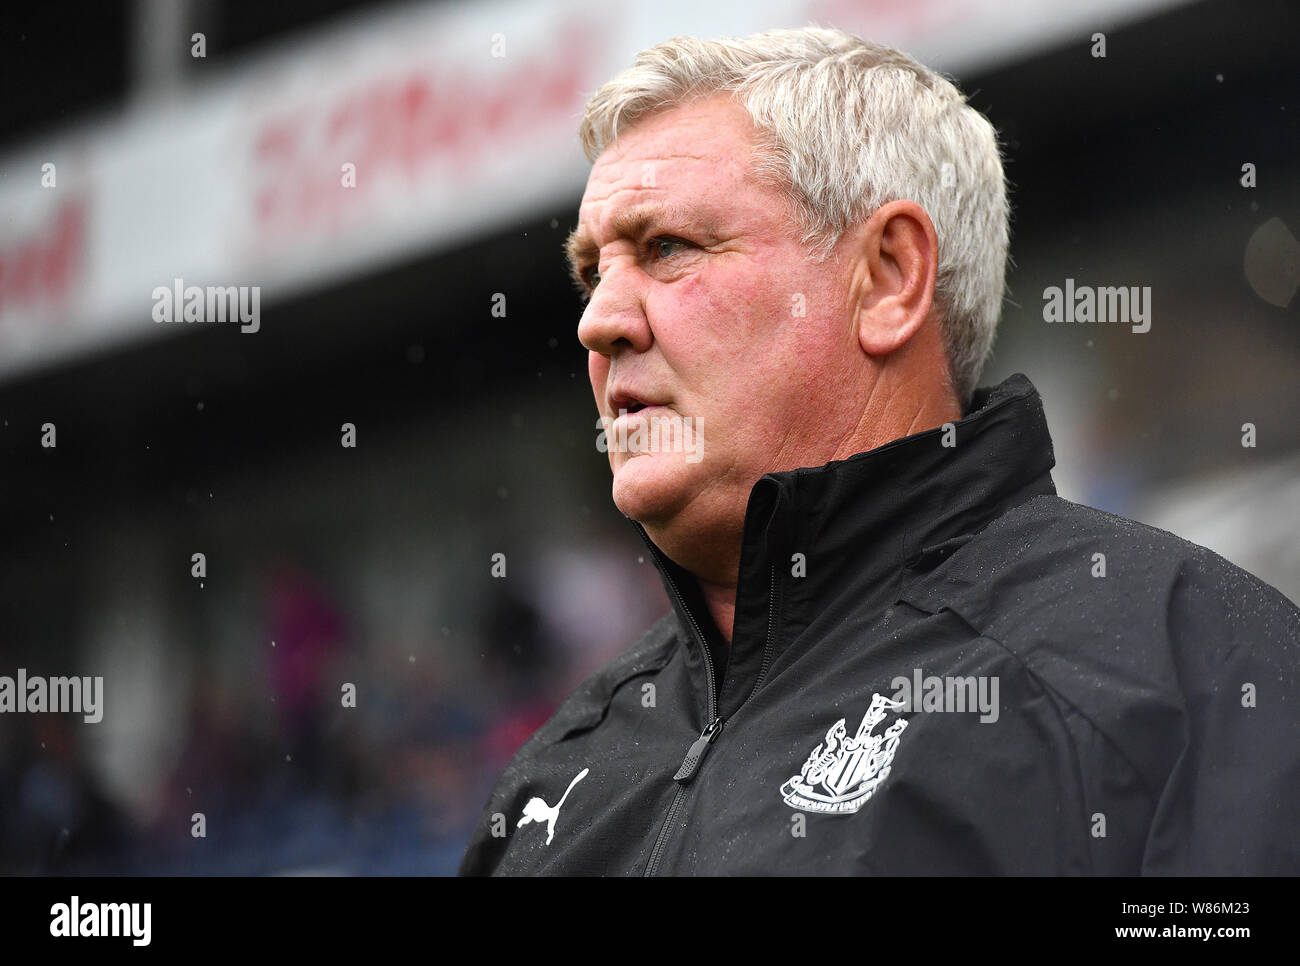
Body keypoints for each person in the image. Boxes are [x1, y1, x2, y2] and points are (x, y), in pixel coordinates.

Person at [459, 26, 1300, 875]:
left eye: (667, 247)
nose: (597, 321)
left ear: (890, 278)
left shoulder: (1183, 667)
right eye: (591, 273)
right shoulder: (552, 785)